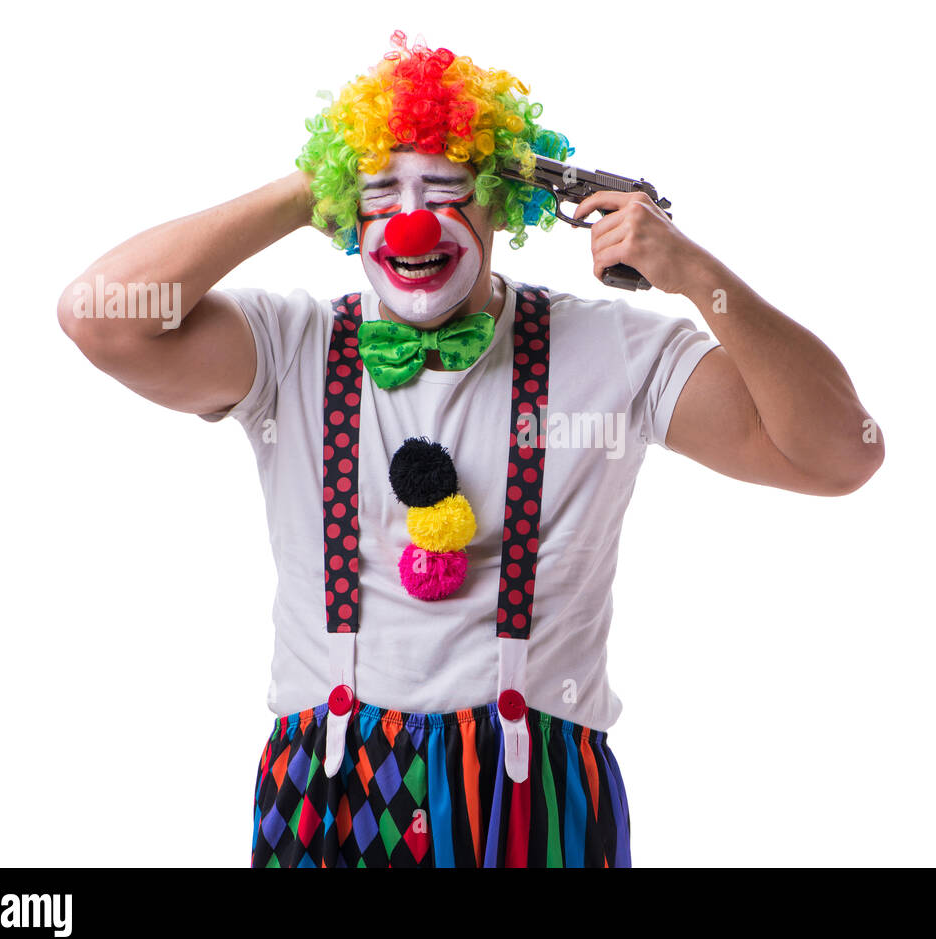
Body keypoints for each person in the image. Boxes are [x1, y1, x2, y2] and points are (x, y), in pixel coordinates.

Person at [57, 31, 884, 868]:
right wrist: (303, 190)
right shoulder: (286, 347)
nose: (411, 215)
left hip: (534, 794)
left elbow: (840, 453)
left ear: (500, 199)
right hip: (328, 786)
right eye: (379, 192)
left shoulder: (614, 350)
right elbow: (99, 316)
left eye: (446, 188)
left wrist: (696, 272)